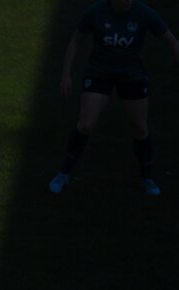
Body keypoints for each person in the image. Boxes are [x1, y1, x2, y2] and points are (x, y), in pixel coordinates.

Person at [50, 0, 179, 195]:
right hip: (99, 73)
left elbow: (172, 40)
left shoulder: (144, 13)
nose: (127, 2)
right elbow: (76, 40)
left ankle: (147, 178)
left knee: (140, 128)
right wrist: (66, 74)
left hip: (132, 75)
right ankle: (63, 173)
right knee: (85, 124)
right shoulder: (95, 12)